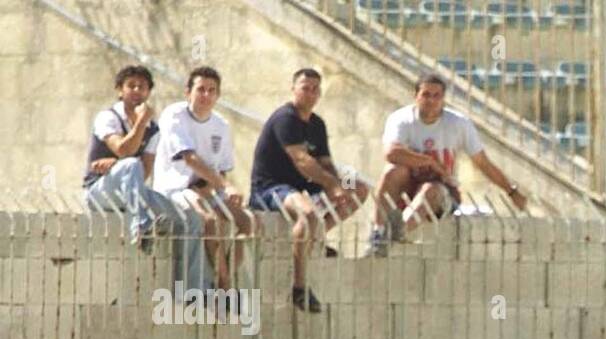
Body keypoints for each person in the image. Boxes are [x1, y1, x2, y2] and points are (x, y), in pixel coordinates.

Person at [249, 68, 369, 313]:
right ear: (294, 89)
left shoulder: (317, 124)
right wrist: (331, 185)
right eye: (305, 87)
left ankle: (317, 238)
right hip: (272, 186)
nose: (310, 93)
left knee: (359, 187)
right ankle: (300, 286)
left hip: (305, 184)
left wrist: (340, 185)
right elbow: (302, 160)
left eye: (315, 88)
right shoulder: (285, 119)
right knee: (308, 214)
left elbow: (325, 162)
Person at [368, 73, 527, 256]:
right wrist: (429, 162)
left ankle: (396, 232)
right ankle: (378, 232)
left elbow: (483, 163)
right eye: (426, 95)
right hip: (407, 188)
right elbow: (391, 153)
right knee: (392, 172)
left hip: (442, 193)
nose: (431, 101)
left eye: (437, 96)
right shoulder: (401, 119)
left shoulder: (458, 124)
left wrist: (511, 191)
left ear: (443, 99)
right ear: (416, 96)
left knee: (430, 189)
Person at [153, 66, 252, 300]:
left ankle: (226, 274)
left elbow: (222, 169)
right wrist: (224, 186)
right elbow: (189, 158)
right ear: (188, 92)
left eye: (211, 91)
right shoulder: (174, 115)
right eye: (200, 90)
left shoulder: (221, 125)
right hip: (175, 188)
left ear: (218, 95)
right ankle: (224, 285)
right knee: (208, 220)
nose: (206, 96)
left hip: (207, 188)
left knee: (248, 222)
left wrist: (218, 186)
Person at [82, 65, 177, 250]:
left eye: (142, 87)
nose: (136, 91)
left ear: (148, 92)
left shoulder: (154, 130)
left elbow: (145, 172)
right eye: (131, 86)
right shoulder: (108, 117)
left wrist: (117, 163)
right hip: (99, 190)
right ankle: (141, 227)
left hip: (132, 192)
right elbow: (123, 150)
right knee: (131, 164)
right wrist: (141, 121)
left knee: (185, 216)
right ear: (120, 90)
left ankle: (182, 280)